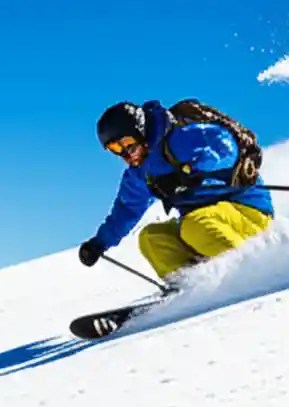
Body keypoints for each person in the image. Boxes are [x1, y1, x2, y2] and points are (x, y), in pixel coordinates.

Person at [77, 100, 274, 285]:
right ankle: (190, 288)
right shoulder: (139, 175)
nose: (125, 153)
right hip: (205, 225)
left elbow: (225, 147)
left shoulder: (178, 138)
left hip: (246, 211)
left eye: (127, 143)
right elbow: (126, 210)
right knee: (150, 239)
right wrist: (99, 243)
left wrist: (191, 171)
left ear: (140, 132)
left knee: (194, 227)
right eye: (115, 148)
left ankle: (251, 270)